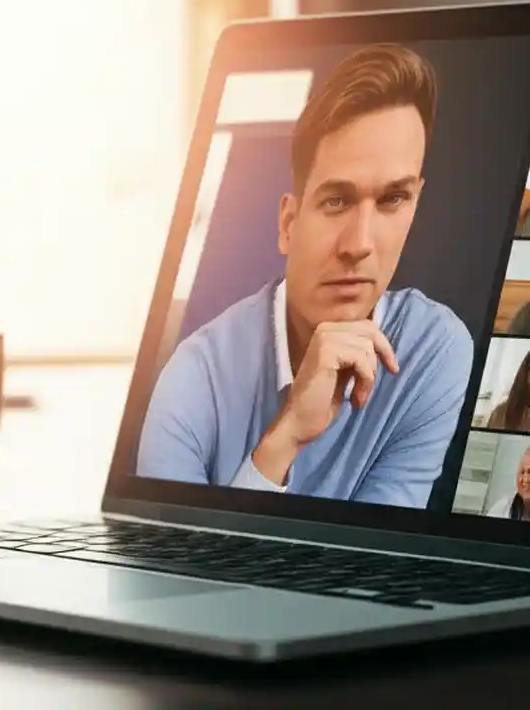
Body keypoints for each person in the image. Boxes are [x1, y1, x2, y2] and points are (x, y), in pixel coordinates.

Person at [136, 44, 474, 509]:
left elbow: (372, 563)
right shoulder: (194, 377)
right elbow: (168, 571)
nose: (359, 244)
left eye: (394, 199)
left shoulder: (433, 349)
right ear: (288, 224)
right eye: (336, 201)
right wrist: (288, 433)